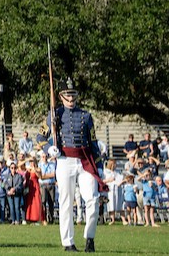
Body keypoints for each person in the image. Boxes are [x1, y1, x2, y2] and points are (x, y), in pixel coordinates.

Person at [46, 79, 103, 252]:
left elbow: (93, 141)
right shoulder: (54, 114)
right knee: (66, 202)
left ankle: (90, 238)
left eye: (73, 94)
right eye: (67, 94)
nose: (71, 97)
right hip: (64, 161)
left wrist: (99, 165)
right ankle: (68, 242)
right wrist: (50, 148)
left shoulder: (86, 116)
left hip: (84, 160)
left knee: (93, 198)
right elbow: (40, 138)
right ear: (61, 96)